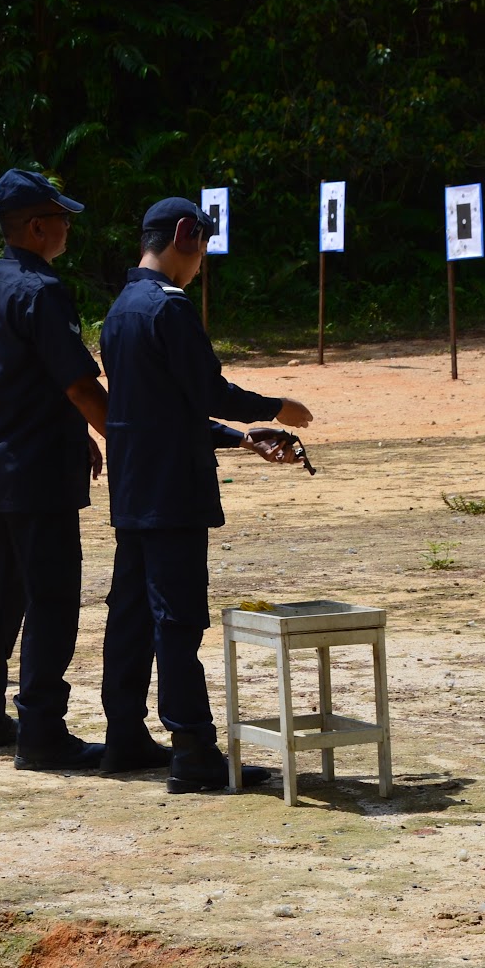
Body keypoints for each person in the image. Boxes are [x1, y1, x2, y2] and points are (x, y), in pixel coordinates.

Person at [99, 197, 314, 793]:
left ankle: (123, 736)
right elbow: (208, 390)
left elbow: (165, 408)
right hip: (174, 492)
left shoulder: (119, 310)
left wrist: (242, 439)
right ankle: (192, 748)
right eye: (203, 250)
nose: (201, 264)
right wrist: (277, 407)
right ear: (186, 237)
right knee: (177, 621)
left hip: (135, 487)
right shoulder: (169, 307)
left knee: (131, 616)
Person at [0, 169, 112, 771]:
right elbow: (77, 383)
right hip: (40, 470)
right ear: (36, 227)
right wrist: (123, 436)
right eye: (60, 218)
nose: (68, 228)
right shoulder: (42, 290)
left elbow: (25, 376)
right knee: (51, 600)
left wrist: (80, 433)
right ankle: (42, 730)